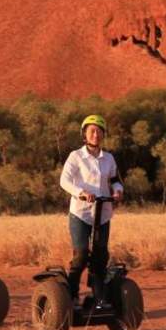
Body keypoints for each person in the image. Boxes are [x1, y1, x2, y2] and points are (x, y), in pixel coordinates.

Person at [59, 114, 123, 299]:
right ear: (84, 135)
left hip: (102, 213)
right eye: (92, 131)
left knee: (101, 255)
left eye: (99, 131)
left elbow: (115, 180)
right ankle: (71, 293)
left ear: (103, 135)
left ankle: (98, 293)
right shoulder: (76, 156)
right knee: (81, 255)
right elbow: (64, 180)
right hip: (80, 213)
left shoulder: (109, 158)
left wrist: (118, 191)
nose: (96, 134)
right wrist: (81, 192)